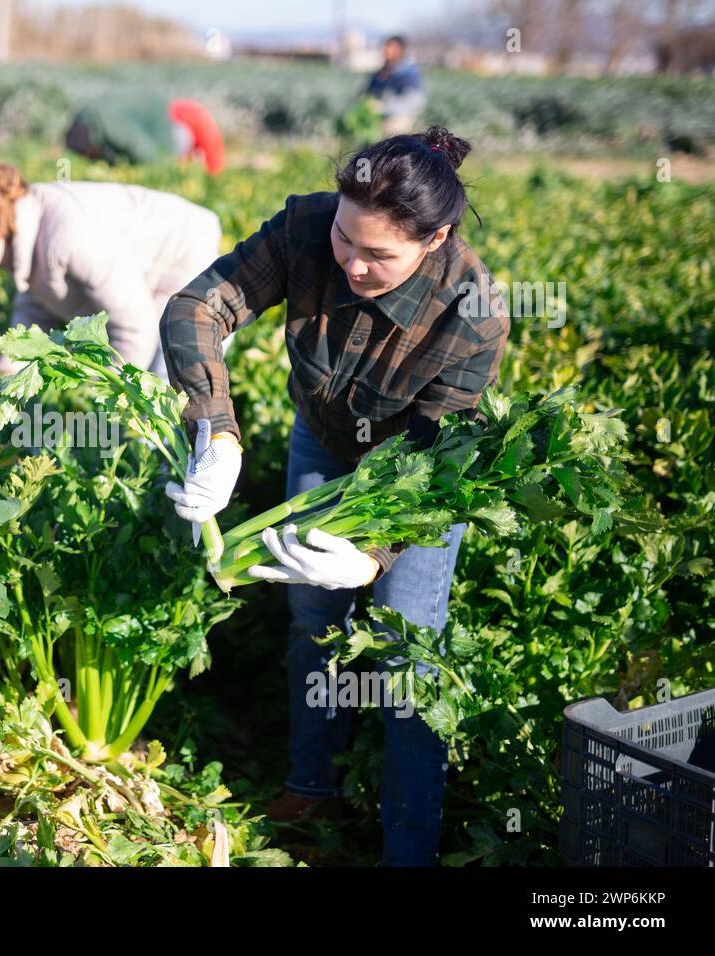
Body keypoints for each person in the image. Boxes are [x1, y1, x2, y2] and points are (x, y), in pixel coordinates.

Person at [161, 127, 510, 866]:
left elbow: (438, 462)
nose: (352, 263)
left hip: (414, 473)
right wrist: (216, 432)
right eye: (346, 239)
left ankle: (407, 846)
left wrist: (374, 553)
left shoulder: (472, 313)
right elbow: (196, 308)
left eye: (379, 255)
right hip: (323, 439)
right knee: (311, 614)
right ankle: (311, 786)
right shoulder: (304, 228)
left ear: (435, 238)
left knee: (405, 646)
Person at [0, 163, 224, 378]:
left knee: (167, 405)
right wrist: (11, 364)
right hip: (146, 295)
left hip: (191, 272)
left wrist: (107, 387)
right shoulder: (24, 234)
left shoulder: (67, 236)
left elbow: (135, 326)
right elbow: (35, 303)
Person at [65, 91, 226, 176]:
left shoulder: (107, 123)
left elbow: (143, 149)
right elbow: (133, 149)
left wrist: (168, 167)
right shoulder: (102, 125)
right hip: (165, 119)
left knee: (162, 155)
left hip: (171, 122)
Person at [366, 35, 426, 136]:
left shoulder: (408, 72)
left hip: (399, 119)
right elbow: (369, 93)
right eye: (384, 46)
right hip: (378, 117)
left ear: (400, 50)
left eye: (389, 46)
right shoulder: (382, 71)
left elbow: (415, 101)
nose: (385, 49)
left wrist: (384, 107)